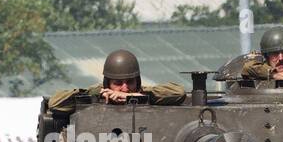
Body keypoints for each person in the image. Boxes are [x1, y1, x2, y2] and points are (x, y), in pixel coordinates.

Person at [47, 49, 186, 114]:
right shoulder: (97, 94)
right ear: (107, 84)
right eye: (118, 83)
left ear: (137, 82)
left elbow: (179, 93)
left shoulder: (142, 93)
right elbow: (55, 103)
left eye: (130, 82)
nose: (125, 88)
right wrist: (95, 95)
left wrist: (140, 97)